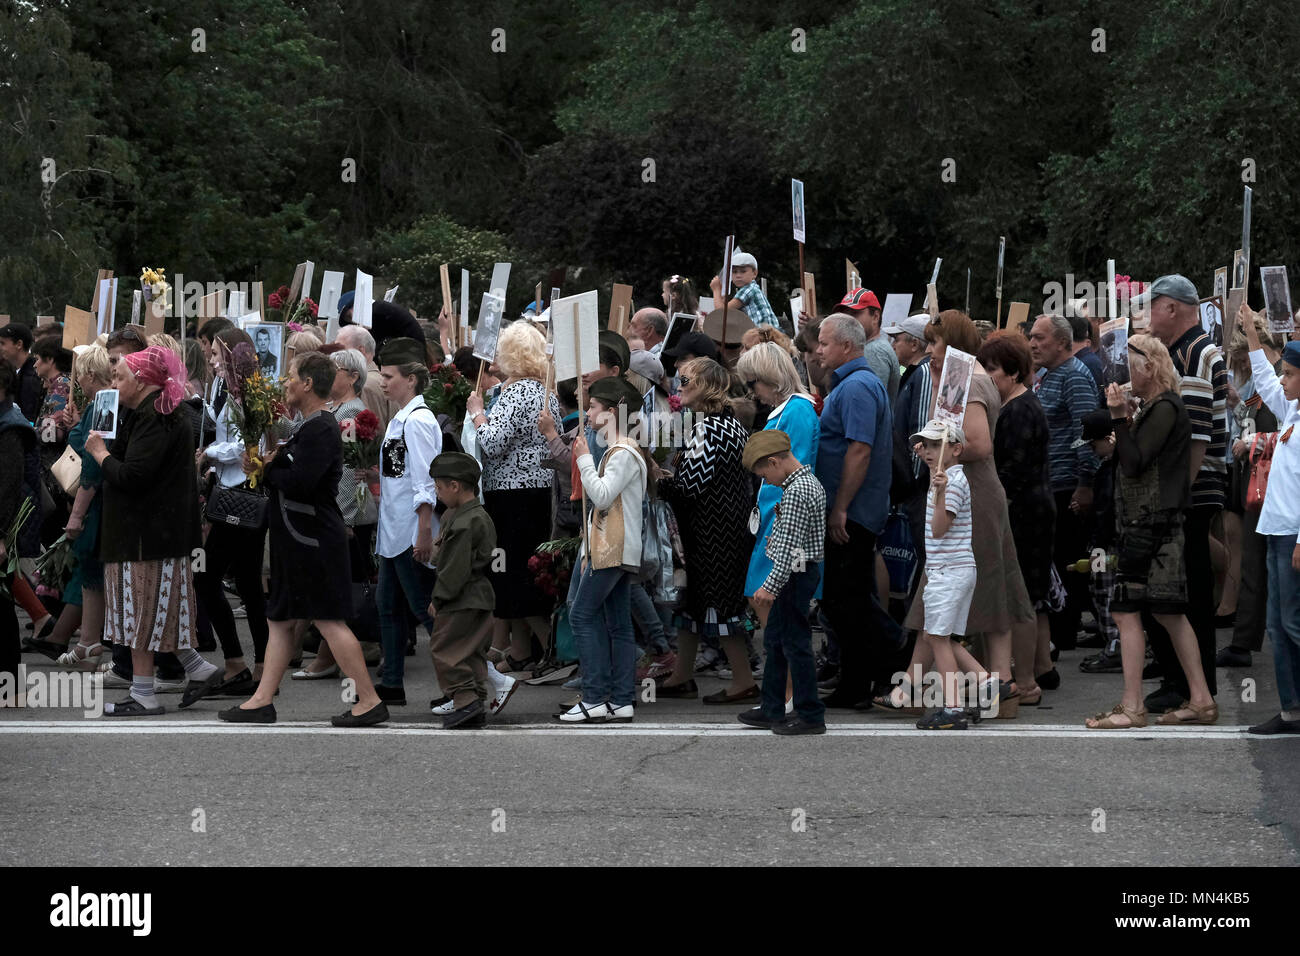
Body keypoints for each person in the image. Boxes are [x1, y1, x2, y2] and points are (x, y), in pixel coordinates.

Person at [218, 352, 387, 726]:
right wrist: (264, 466)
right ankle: (262, 700)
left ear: (308, 383)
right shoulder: (307, 427)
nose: (286, 382)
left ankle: (369, 699)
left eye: (291, 375)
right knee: (279, 619)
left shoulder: (321, 428)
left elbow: (301, 484)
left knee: (329, 620)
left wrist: (270, 469)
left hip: (313, 540)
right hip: (297, 539)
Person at [1085, 335, 1217, 728]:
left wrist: (1119, 418)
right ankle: (1201, 699)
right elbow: (1132, 456)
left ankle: (1132, 705)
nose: (1125, 374)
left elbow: (1134, 463)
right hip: (1155, 520)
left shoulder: (1164, 407)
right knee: (1166, 612)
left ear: (1150, 366)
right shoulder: (1157, 408)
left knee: (1126, 611)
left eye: (1129, 365)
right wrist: (1123, 422)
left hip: (1151, 521)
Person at [83, 346, 221, 716]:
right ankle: (197, 668)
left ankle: (144, 694)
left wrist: (99, 453)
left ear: (142, 381)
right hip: (150, 531)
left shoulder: (156, 415)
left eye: (120, 377)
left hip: (146, 534)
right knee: (155, 610)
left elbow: (134, 476)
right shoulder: (148, 411)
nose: (113, 382)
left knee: (140, 613)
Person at [1140, 275, 1225, 713]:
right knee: (1174, 588)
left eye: (1152, 305)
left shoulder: (1196, 352)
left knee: (1187, 589)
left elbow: (1195, 435)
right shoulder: (1180, 350)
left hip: (1191, 488)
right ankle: (1181, 679)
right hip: (1183, 488)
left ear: (1171, 308)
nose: (1147, 314)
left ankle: (1194, 685)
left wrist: (1177, 493)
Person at [655, 357, 758, 702]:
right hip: (724, 526)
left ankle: (743, 680)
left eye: (687, 381)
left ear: (707, 388)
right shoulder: (727, 424)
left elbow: (690, 489)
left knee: (719, 607)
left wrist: (658, 479)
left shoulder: (707, 428)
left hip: (715, 532)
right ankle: (682, 676)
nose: (679, 387)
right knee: (694, 606)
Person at [813, 315, 903, 708]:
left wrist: (841, 509)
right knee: (844, 600)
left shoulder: (859, 387)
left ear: (847, 347)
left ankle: (899, 651)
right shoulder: (852, 384)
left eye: (824, 342)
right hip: (853, 509)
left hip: (854, 512)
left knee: (846, 599)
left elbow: (859, 449)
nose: (818, 350)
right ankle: (856, 683)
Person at [465, 322, 561, 674]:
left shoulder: (518, 392)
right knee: (520, 571)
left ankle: (551, 649)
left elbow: (492, 442)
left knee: (516, 572)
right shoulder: (546, 391)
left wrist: (477, 412)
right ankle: (521, 650)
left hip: (513, 495)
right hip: (536, 492)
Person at [559, 375, 649, 723]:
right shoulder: (621, 449)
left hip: (613, 548)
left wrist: (582, 458)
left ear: (611, 412)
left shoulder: (623, 451)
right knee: (618, 624)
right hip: (614, 547)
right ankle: (621, 699)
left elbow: (601, 496)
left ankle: (596, 696)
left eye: (594, 406)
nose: (588, 411)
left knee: (582, 615)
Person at [193, 327, 271, 698]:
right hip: (228, 491)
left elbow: (246, 445)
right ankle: (250, 664)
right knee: (247, 583)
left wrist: (210, 453)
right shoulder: (228, 391)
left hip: (243, 494)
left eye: (217, 356)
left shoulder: (251, 394)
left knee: (210, 577)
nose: (212, 361)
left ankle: (247, 663)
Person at [978, 331, 1056, 702]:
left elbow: (1012, 471)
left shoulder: (1020, 409)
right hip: (1030, 508)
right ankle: (1038, 669)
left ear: (1012, 372)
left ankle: (1024, 682)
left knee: (1022, 598)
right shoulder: (1015, 405)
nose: (987, 376)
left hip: (1026, 513)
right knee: (1030, 597)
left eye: (992, 369)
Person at [296, 347, 382, 680]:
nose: (330, 372)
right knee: (339, 588)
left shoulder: (349, 413)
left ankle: (330, 658)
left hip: (348, 514)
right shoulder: (338, 409)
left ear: (353, 377)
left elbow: (347, 472)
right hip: (345, 513)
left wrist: (342, 514)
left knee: (339, 589)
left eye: (337, 367)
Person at [736, 430, 828, 735]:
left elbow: (790, 550)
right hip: (798, 573)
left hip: (794, 576)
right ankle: (772, 707)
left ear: (774, 462)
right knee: (776, 641)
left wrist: (769, 587)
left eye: (763, 472)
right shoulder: (804, 484)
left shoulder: (797, 492)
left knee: (795, 644)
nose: (765, 479)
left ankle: (810, 713)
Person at [1238, 303, 1300, 735]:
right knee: (1279, 626)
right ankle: (1291, 710)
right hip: (1278, 530)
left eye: (1291, 374)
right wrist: (1252, 335)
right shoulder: (1292, 411)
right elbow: (1264, 380)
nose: (1284, 380)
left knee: (1294, 622)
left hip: (1294, 536)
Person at [372, 337, 442, 706]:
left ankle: (479, 680)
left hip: (410, 531)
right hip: (394, 530)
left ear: (411, 380)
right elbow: (399, 476)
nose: (383, 382)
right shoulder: (402, 419)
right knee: (389, 607)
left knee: (425, 609)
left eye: (389, 376)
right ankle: (393, 683)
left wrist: (425, 530)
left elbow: (425, 481)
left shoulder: (417, 421)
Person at [1028, 313, 1100, 652]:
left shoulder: (1074, 376)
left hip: (1067, 485)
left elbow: (1084, 433)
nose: (1032, 344)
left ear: (1062, 342)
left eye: (1040, 338)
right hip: (1050, 483)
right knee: (1054, 560)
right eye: (1031, 337)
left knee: (1067, 561)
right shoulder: (1047, 375)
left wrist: (1084, 483)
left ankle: (1064, 631)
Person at [1218, 312, 1283, 667]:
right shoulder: (1266, 381)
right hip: (1257, 480)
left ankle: (1247, 640)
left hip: (1271, 483)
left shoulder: (1277, 382)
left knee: (1260, 565)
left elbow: (1285, 431)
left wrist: (1254, 443)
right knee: (1257, 563)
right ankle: (1245, 640)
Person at [908, 420, 978, 730]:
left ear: (956, 449)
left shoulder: (950, 482)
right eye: (925, 445)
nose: (927, 450)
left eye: (936, 445)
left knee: (937, 637)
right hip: (954, 569)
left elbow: (938, 529)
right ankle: (986, 684)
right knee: (938, 636)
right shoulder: (950, 476)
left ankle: (952, 708)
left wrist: (938, 492)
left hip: (947, 571)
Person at [736, 343, 819, 599]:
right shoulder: (790, 410)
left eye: (752, 384)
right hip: (776, 519)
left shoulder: (797, 411)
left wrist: (779, 532)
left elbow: (794, 477)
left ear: (770, 377)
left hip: (783, 524)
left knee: (769, 602)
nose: (751, 394)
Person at [425, 452, 500, 728]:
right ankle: (472, 703)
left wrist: (439, 598)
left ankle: (466, 702)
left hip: (461, 597)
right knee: (470, 652)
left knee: (446, 648)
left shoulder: (466, 522)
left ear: (455, 486)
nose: (438, 493)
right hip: (477, 597)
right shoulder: (470, 516)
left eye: (439, 487)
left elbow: (454, 568)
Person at [49, 346, 112, 668]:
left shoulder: (102, 404)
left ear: (89, 375)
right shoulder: (101, 403)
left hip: (97, 504)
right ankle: (88, 640)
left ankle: (92, 641)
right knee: (91, 573)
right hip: (100, 501)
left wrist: (76, 514)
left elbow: (91, 465)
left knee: (94, 568)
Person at [0, 364, 38, 682]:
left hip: (1, 525)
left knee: (1, 605)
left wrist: (0, 534)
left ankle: (9, 683)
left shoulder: (9, 426)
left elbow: (8, 486)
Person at [834, 290, 900, 401]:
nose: (848, 321)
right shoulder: (872, 347)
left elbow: (865, 402)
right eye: (845, 315)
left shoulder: (875, 351)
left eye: (854, 314)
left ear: (875, 317)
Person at [336, 324, 397, 429]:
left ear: (361, 351)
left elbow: (369, 436)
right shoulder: (380, 379)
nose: (336, 354)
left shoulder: (364, 384)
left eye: (341, 349)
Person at [710, 251, 779, 329]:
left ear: (754, 273)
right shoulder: (752, 288)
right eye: (734, 272)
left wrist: (716, 290)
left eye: (743, 271)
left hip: (762, 335)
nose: (738, 275)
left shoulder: (748, 290)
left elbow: (721, 312)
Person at [0, 322, 43, 423]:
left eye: (2, 343)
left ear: (19, 344)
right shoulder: (19, 372)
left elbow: (28, 418)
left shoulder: (32, 377)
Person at [885, 314, 931, 390]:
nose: (892, 346)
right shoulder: (914, 373)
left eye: (896, 340)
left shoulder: (923, 375)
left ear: (914, 344)